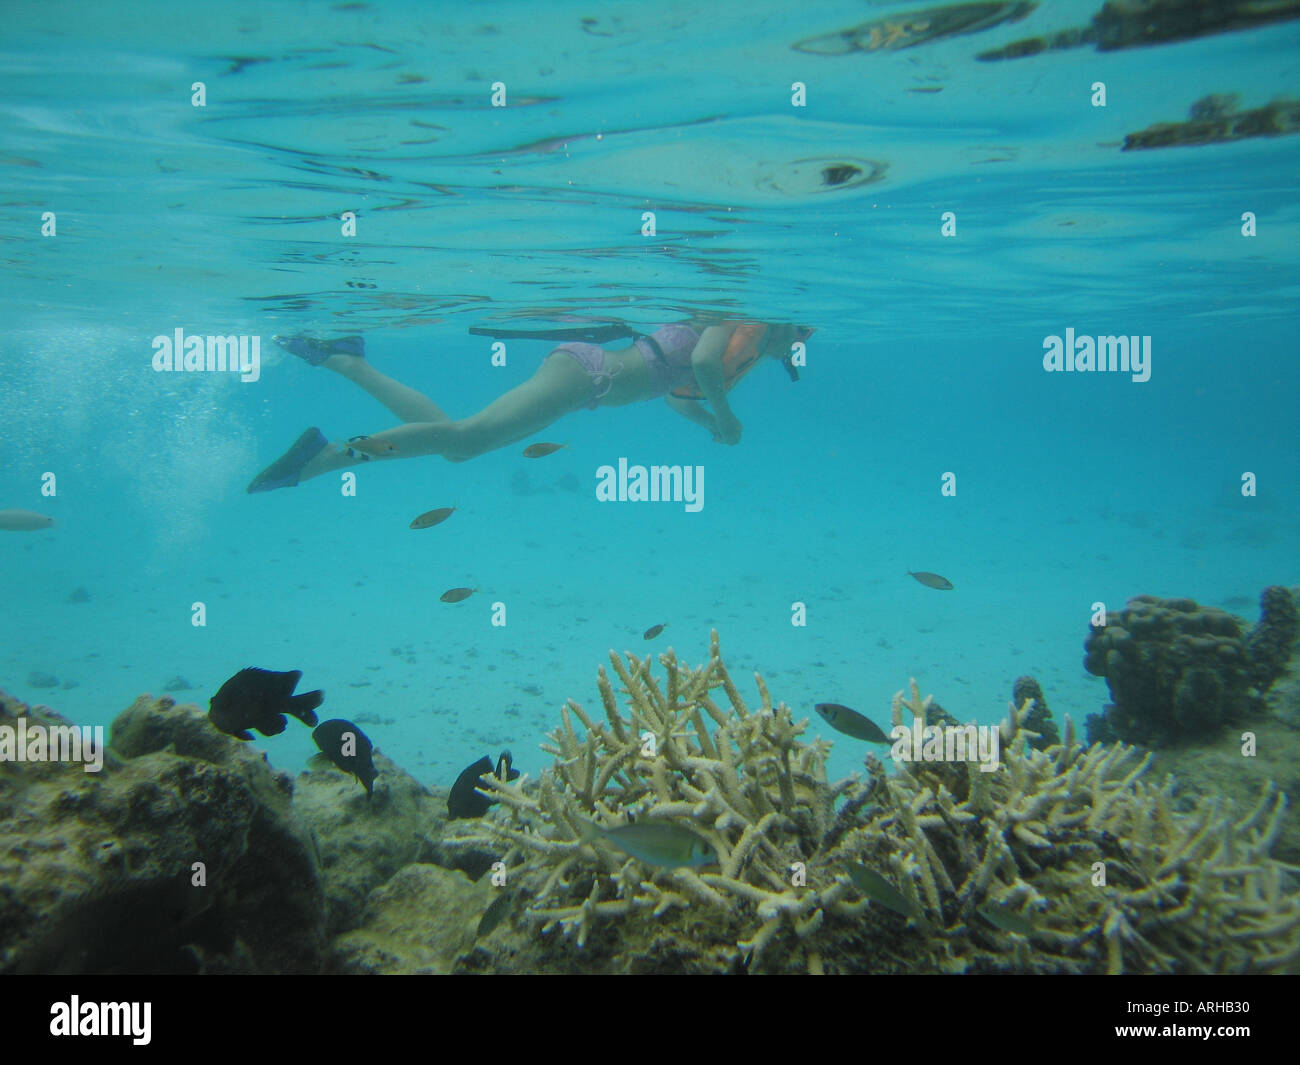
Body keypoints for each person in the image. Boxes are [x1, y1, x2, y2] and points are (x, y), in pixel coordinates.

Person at [247, 319, 812, 492]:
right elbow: (706, 365)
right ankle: (325, 457)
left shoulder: (756, 350)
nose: (804, 342)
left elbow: (680, 397)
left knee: (455, 440)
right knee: (463, 441)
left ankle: (347, 360)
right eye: (804, 331)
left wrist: (713, 421)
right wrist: (729, 417)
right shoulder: (741, 320)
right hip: (586, 376)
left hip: (583, 390)